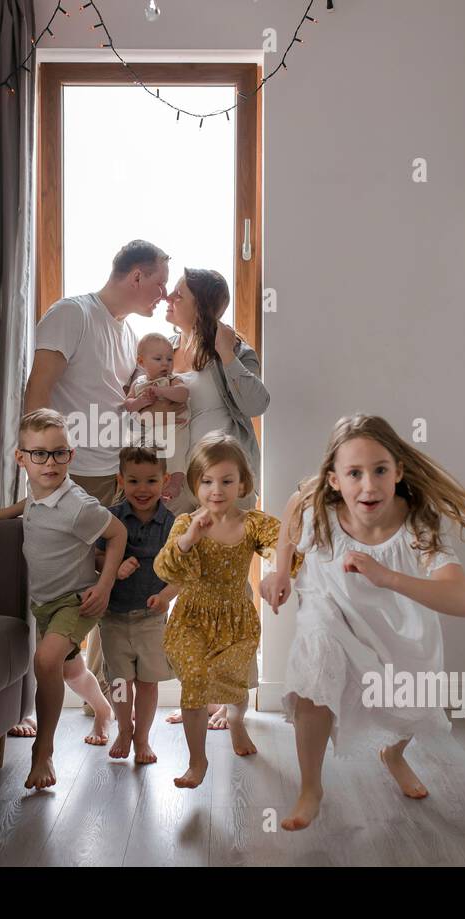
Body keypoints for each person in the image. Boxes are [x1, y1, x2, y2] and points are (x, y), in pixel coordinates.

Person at [258, 414, 465, 830]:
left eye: (380, 470)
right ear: (334, 479)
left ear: (398, 471)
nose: (368, 486)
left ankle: (393, 754)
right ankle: (311, 788)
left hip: (398, 623)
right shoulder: (318, 504)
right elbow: (295, 506)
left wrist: (386, 577)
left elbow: (461, 601)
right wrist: (281, 571)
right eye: (354, 473)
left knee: (411, 704)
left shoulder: (417, 525)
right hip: (329, 607)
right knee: (315, 666)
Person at [13, 240, 172, 738]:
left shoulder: (127, 335)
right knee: (53, 589)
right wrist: (40, 469)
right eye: (160, 283)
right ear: (138, 276)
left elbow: (116, 401)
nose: (163, 296)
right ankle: (27, 704)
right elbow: (37, 392)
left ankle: (103, 709)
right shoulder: (72, 314)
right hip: (71, 474)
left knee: (107, 590)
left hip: (114, 474)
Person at [0, 409, 129, 790]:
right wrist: (3, 513)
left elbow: (118, 533)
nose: (50, 462)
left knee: (45, 660)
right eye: (40, 454)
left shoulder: (78, 506)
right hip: (44, 604)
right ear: (21, 458)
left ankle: (43, 753)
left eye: (59, 453)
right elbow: (32, 504)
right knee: (68, 670)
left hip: (76, 600)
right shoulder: (38, 489)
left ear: (71, 455)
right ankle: (102, 708)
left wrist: (106, 584)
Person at [153, 434, 299, 789]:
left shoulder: (253, 524)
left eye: (226, 481)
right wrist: (190, 540)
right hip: (191, 618)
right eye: (206, 481)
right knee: (196, 677)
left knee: (234, 687)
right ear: (194, 484)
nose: (216, 490)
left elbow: (286, 547)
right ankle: (197, 760)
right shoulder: (186, 524)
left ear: (243, 484)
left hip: (236, 620)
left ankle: (236, 721)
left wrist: (280, 572)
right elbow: (165, 570)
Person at [161, 267, 271, 726]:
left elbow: (256, 403)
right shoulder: (170, 349)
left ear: (201, 304)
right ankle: (199, 691)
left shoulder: (233, 347)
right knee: (183, 588)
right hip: (182, 482)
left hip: (225, 482)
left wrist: (227, 355)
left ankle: (234, 701)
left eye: (179, 293)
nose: (169, 296)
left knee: (229, 590)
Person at [92, 446, 179, 765]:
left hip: (151, 618)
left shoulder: (171, 524)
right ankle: (123, 728)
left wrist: (166, 596)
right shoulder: (111, 517)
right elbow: (96, 557)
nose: (142, 489)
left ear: (165, 481)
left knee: (147, 682)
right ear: (121, 480)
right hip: (114, 616)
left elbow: (181, 571)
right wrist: (114, 567)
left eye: (151, 481)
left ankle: (141, 737)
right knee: (119, 681)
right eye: (134, 481)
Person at [123, 333, 190, 500]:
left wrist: (161, 391)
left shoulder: (172, 380)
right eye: (158, 359)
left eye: (169, 359)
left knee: (177, 452)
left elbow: (183, 394)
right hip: (149, 431)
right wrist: (140, 401)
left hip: (174, 428)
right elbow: (128, 405)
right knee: (146, 456)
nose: (165, 364)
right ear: (141, 362)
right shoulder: (138, 383)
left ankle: (175, 481)